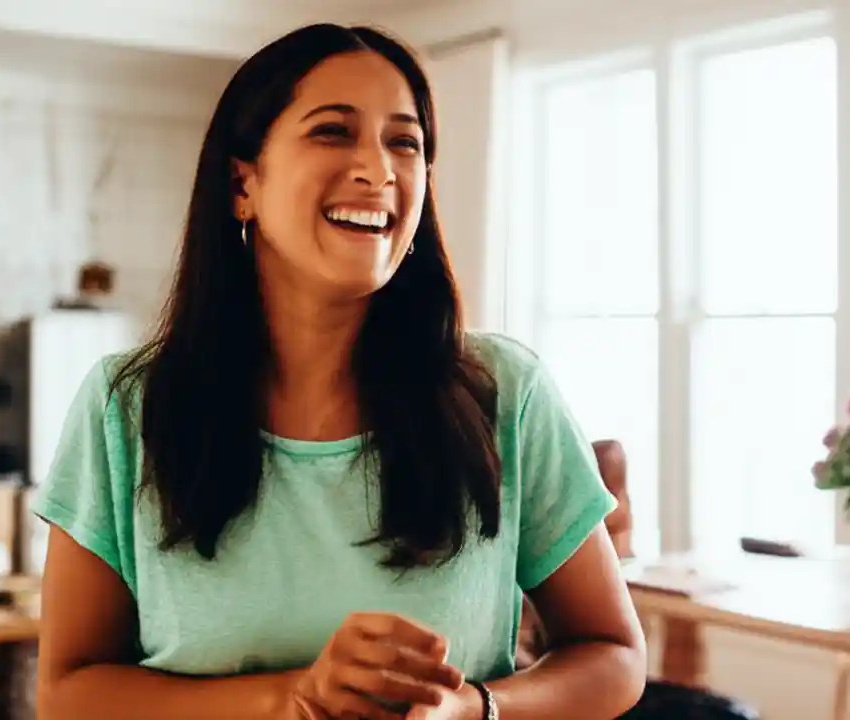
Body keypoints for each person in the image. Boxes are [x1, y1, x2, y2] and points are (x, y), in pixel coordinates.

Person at [33, 22, 646, 720]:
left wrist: (475, 710)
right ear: (243, 183)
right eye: (333, 132)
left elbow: (614, 655)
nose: (379, 169)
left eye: (404, 142)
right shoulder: (127, 408)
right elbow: (68, 694)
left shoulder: (506, 393)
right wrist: (289, 697)